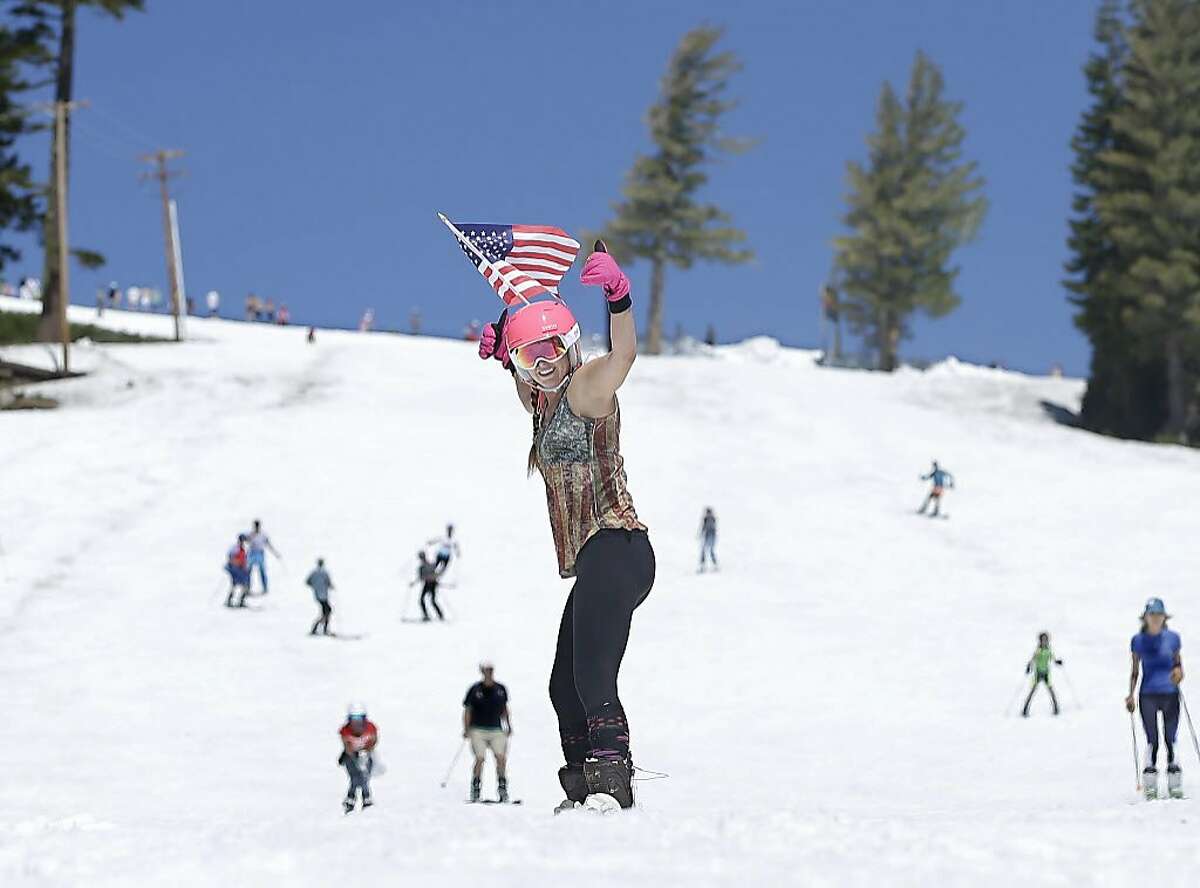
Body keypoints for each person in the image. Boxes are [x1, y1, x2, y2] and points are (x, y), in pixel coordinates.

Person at [474, 240, 655, 812]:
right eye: (530, 358)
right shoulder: (544, 404)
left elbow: (622, 357)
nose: (541, 364)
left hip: (617, 543)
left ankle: (611, 779)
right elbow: (524, 383)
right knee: (563, 684)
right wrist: (507, 349)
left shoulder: (585, 388)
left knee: (593, 671)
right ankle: (581, 781)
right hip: (594, 558)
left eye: (549, 349)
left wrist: (618, 301)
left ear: (568, 345)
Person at [1126, 598, 1185, 799]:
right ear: (1145, 618)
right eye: (1152, 615)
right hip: (1147, 694)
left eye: (1159, 615)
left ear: (1164, 618)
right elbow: (1135, 671)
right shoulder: (1138, 641)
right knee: (1153, 739)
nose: (1155, 619)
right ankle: (1150, 782)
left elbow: (1178, 663)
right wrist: (1131, 694)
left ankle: (1174, 780)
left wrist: (1178, 673)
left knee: (1171, 737)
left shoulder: (1173, 638)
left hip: (1170, 694)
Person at [462, 662, 512, 803]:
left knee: (501, 757)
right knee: (480, 758)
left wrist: (508, 725)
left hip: (496, 729)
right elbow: (468, 710)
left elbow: (504, 709)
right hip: (478, 730)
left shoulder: (500, 689)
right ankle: (475, 789)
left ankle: (503, 790)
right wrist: (467, 729)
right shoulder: (475, 690)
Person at [338, 704, 378, 812]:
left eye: (359, 719)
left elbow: (373, 741)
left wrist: (366, 751)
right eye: (353, 720)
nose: (357, 723)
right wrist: (354, 755)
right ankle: (354, 798)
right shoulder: (346, 732)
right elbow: (347, 746)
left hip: (366, 755)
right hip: (351, 757)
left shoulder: (370, 729)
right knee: (355, 777)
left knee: (365, 777)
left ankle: (364, 797)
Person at [1021, 632, 1062, 717]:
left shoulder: (1048, 650)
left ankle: (1056, 708)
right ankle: (1025, 710)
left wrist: (1057, 662)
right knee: (1032, 691)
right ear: (1040, 641)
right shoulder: (1038, 651)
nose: (1044, 641)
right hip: (1038, 673)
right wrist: (1029, 666)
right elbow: (1033, 659)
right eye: (1043, 640)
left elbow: (1052, 657)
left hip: (1046, 673)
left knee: (1051, 691)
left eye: (1046, 640)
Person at [245, 519, 280, 595]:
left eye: (257, 526)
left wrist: (275, 553)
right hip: (252, 553)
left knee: (262, 571)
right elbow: (245, 542)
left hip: (260, 553)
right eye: (255, 526)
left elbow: (268, 544)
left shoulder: (263, 534)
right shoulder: (250, 534)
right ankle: (247, 587)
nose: (256, 527)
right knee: (248, 572)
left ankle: (265, 588)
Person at [411, 551, 444, 621]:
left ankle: (438, 615)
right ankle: (432, 615)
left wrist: (433, 577)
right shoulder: (423, 567)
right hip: (429, 584)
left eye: (421, 557)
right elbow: (421, 577)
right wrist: (414, 583)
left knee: (429, 600)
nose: (422, 559)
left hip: (431, 584)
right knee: (426, 600)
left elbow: (436, 573)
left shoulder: (427, 565)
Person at [306, 558, 334, 636]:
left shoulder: (313, 572)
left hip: (317, 595)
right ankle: (321, 629)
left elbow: (307, 582)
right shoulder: (325, 573)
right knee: (328, 611)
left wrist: (315, 586)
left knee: (326, 611)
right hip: (324, 595)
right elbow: (329, 583)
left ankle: (319, 628)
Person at [224, 534, 250, 608]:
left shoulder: (244, 549)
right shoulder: (235, 548)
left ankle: (241, 601)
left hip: (241, 570)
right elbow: (231, 559)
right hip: (235, 569)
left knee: (243, 586)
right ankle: (231, 600)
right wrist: (237, 564)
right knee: (236, 585)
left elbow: (244, 559)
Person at [698, 507, 718, 572]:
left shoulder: (707, 519)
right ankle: (714, 565)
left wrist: (701, 534)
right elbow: (705, 528)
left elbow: (705, 528)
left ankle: (703, 566)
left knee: (705, 551)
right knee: (710, 551)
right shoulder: (711, 519)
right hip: (711, 536)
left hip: (710, 536)